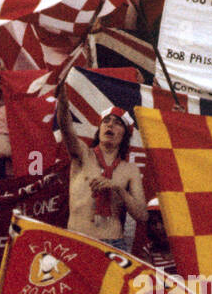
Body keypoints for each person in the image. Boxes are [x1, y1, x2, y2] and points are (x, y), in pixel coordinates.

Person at [57, 77, 147, 250]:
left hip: (113, 243)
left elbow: (142, 216)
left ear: (124, 135)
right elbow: (66, 127)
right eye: (106, 122)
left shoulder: (130, 170)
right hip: (78, 240)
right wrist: (62, 100)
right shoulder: (83, 154)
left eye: (117, 123)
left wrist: (118, 189)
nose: (110, 126)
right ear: (99, 131)